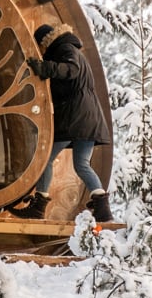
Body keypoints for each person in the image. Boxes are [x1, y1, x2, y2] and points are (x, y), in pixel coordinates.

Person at [10, 23, 114, 223]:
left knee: (46, 158)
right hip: (88, 118)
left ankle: (38, 206)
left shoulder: (65, 49)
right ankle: (103, 211)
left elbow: (71, 70)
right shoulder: (70, 50)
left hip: (75, 117)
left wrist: (45, 68)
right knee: (82, 164)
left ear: (45, 42)